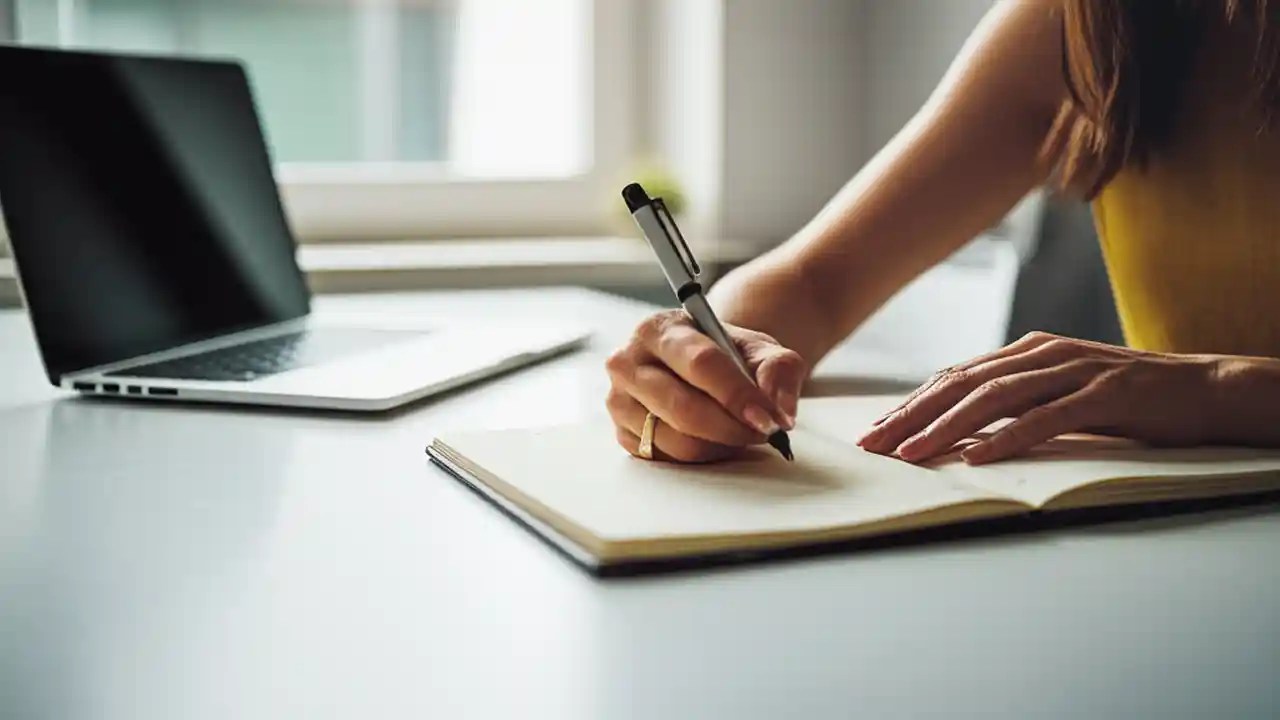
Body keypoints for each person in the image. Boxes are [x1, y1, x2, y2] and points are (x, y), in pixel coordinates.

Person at [605, 0, 1280, 465]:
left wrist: (1216, 387)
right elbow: (814, 282)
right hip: (1183, 542)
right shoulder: (1083, 27)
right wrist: (706, 369)